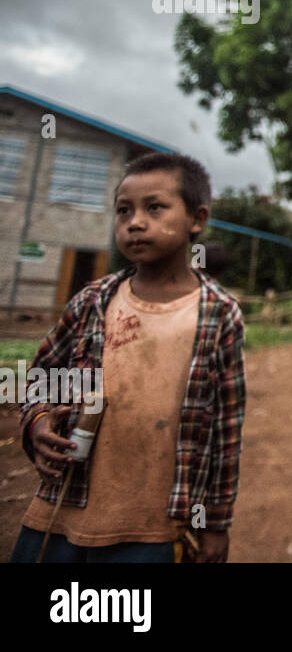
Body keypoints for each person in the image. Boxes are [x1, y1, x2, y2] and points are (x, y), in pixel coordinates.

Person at [12, 152, 246, 563]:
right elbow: (39, 380)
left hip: (154, 526)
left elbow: (225, 433)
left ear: (197, 218)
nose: (135, 222)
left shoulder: (219, 315)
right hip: (63, 509)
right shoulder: (92, 302)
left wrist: (214, 524)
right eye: (124, 211)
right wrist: (38, 421)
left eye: (154, 208)